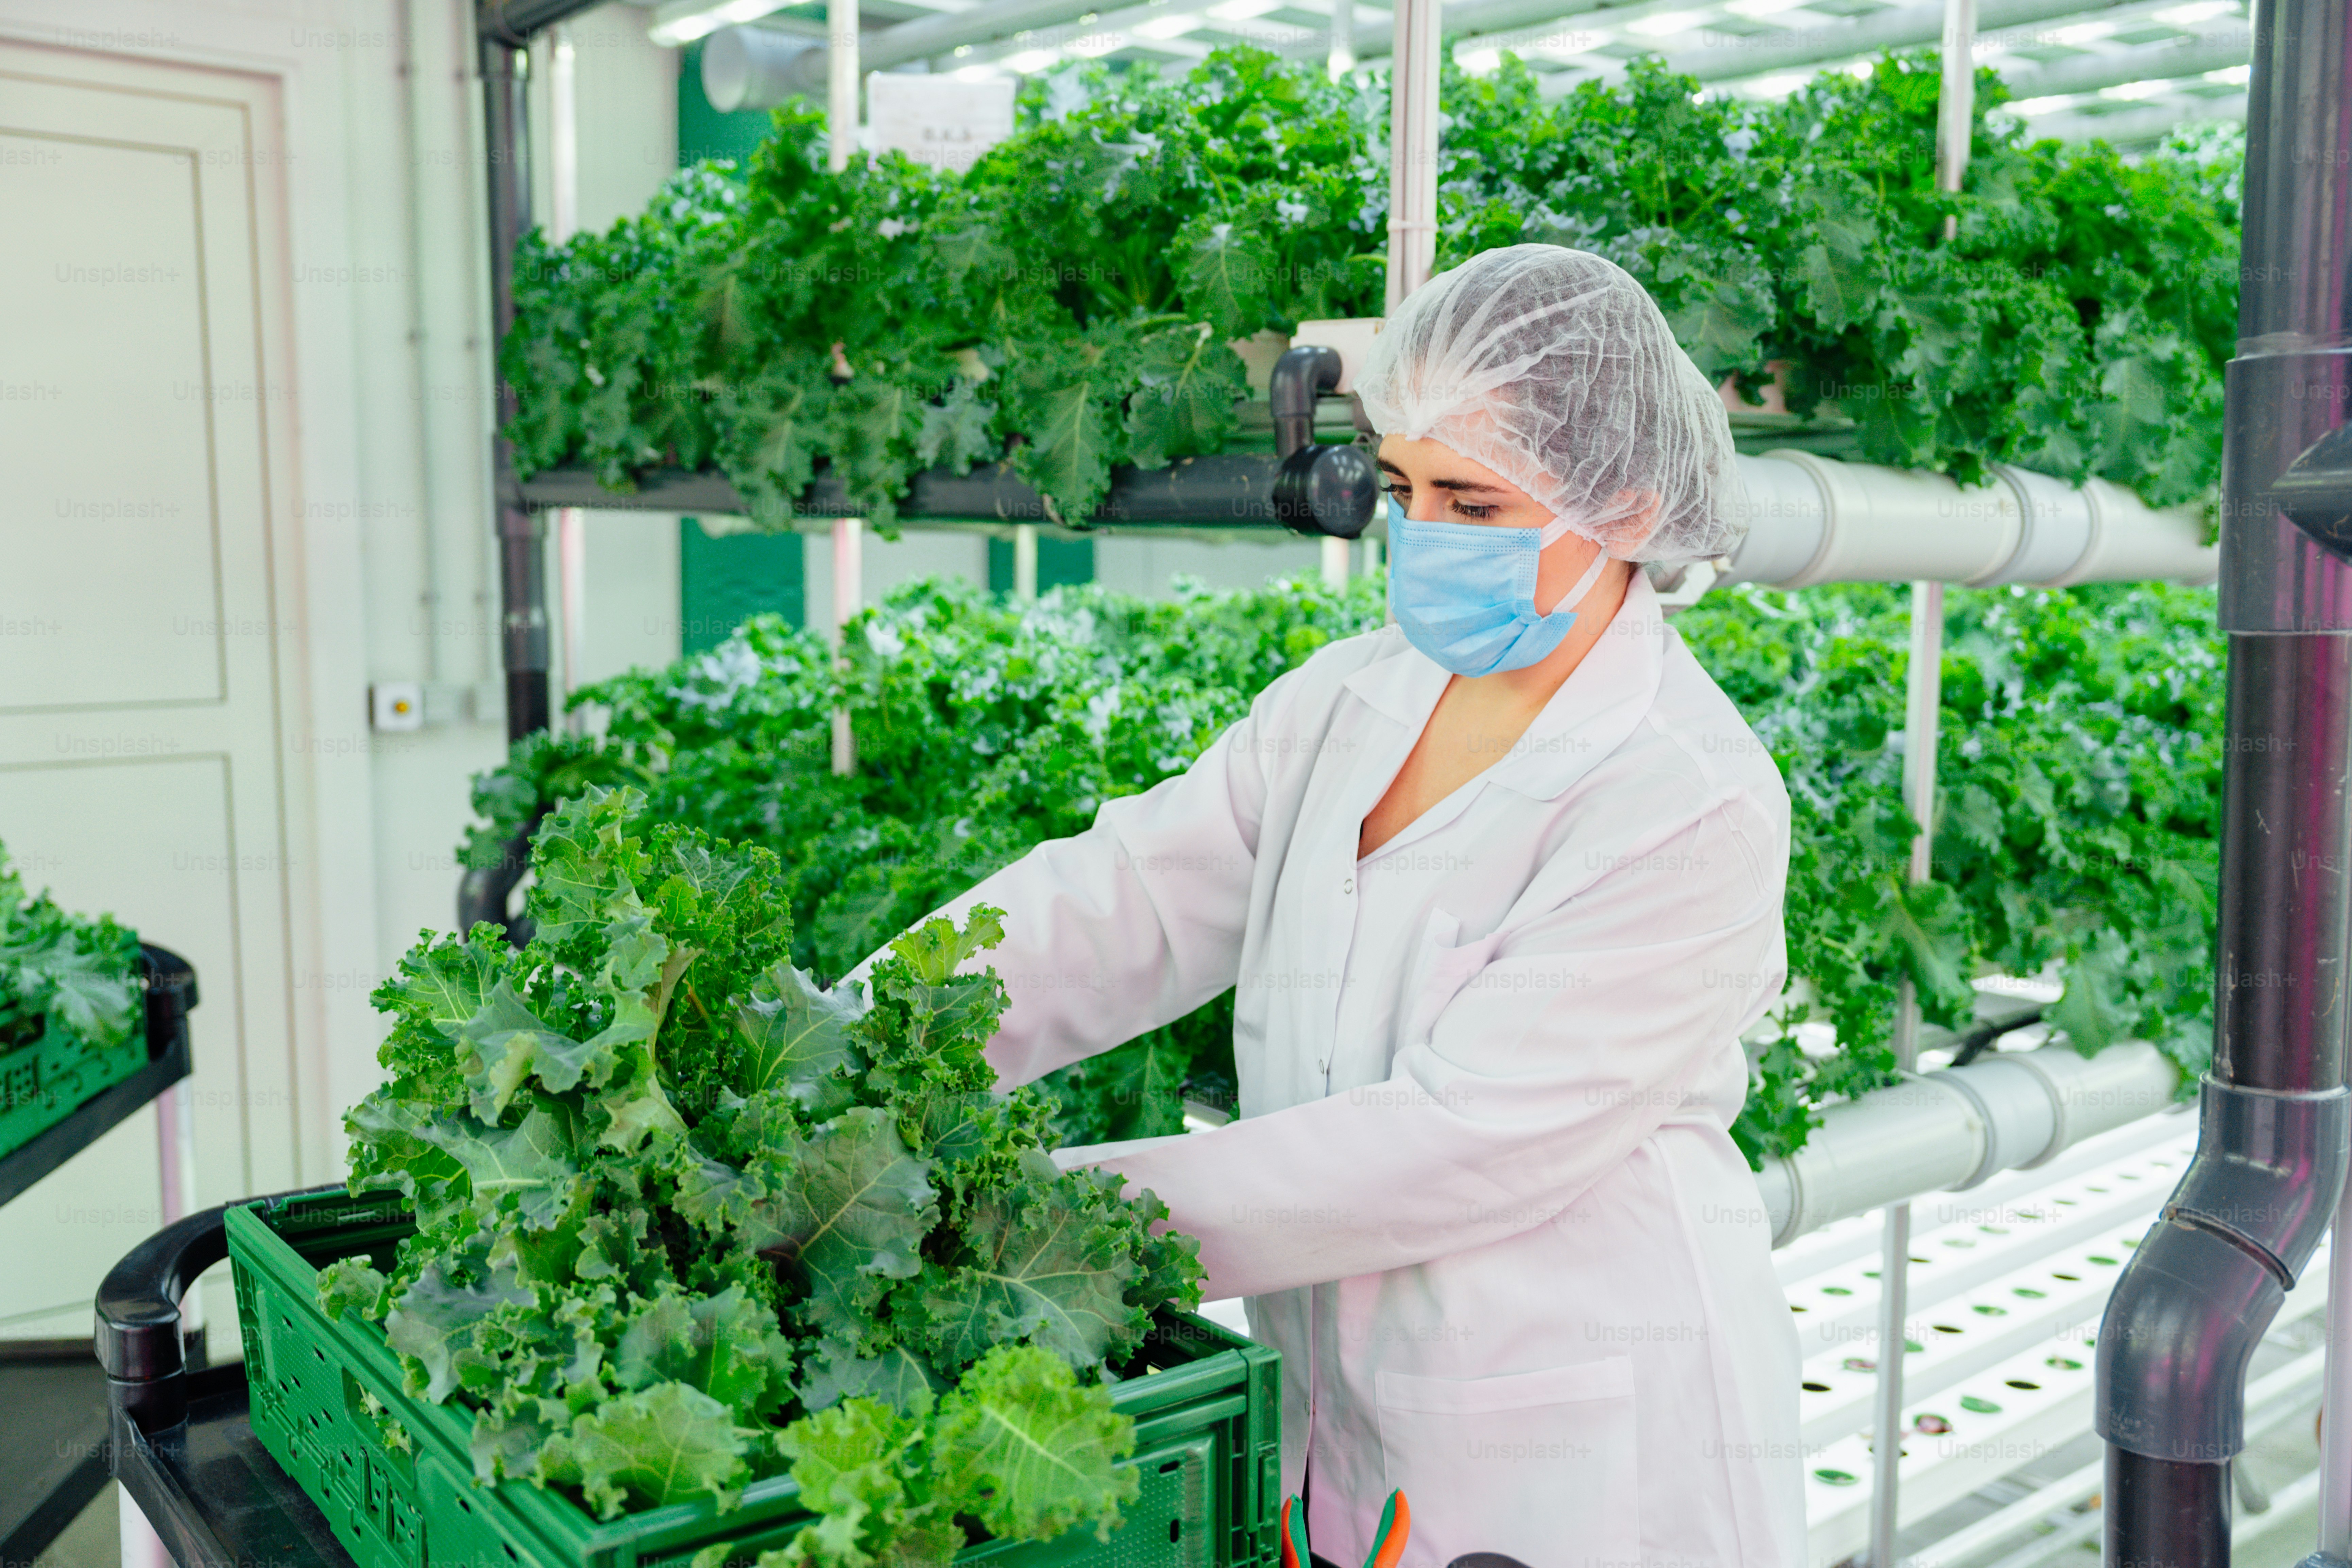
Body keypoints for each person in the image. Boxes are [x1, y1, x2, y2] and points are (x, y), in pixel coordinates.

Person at [852, 245, 1804, 1567]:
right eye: (1404, 488)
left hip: (1582, 1442)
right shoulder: (1352, 696)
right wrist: (860, 1038)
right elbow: (1126, 895)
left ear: (1628, 507)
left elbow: (1447, 1142)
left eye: (1473, 501)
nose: (1422, 535)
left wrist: (1028, 1219)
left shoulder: (1684, 800)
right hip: (1346, 1395)